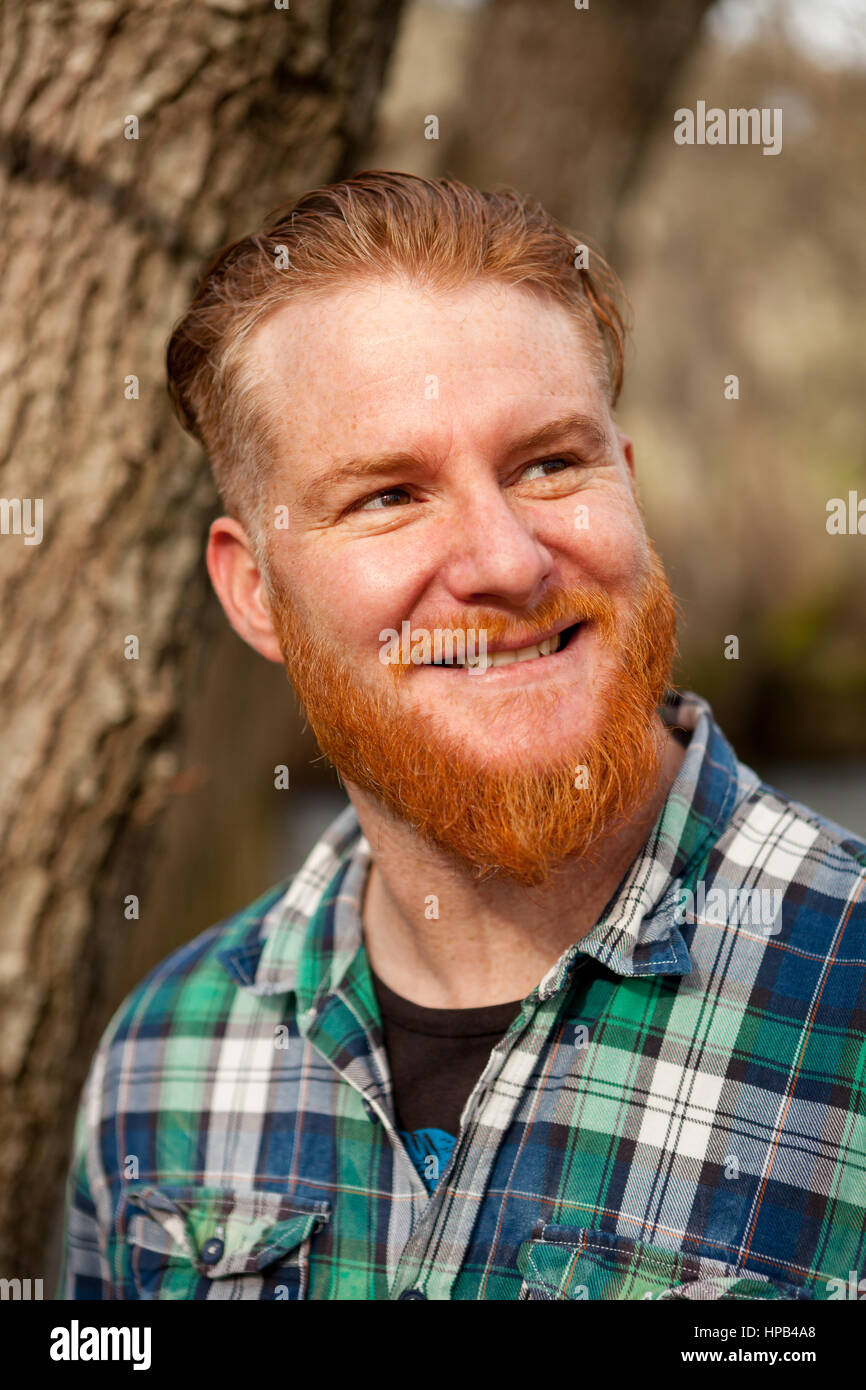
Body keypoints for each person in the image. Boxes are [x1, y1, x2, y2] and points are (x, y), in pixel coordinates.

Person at [59, 171, 866, 1301]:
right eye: (388, 494)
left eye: (548, 464)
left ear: (625, 489)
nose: (504, 561)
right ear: (253, 594)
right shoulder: (165, 1062)